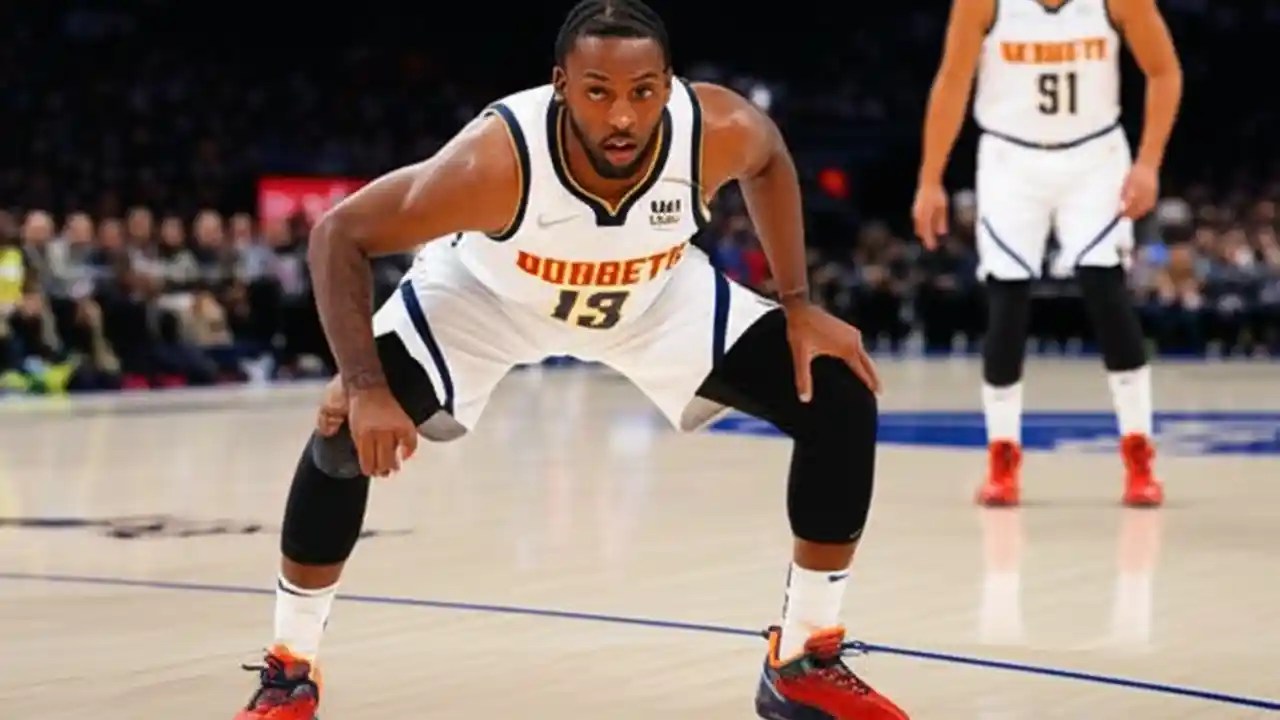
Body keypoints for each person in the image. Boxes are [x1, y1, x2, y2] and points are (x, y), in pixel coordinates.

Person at [231, 2, 909, 719]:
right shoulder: (493, 162)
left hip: (649, 295)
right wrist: (366, 383)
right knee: (342, 435)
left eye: (643, 92)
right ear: (560, 85)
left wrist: (798, 303)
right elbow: (339, 233)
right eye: (598, 91)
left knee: (836, 390)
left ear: (668, 84)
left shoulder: (717, 130)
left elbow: (769, 160)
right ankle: (289, 671)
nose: (623, 115)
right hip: (488, 299)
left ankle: (802, 659)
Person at [911, 0, 1182, 507]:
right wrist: (930, 179)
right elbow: (951, 82)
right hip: (1010, 159)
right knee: (1007, 297)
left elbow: (1165, 71)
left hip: (1095, 156)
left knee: (1106, 291)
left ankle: (1138, 450)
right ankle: (1002, 452)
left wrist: (1148, 164)